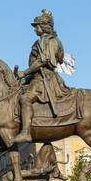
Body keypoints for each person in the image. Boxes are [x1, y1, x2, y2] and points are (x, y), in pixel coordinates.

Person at [14, 10, 69, 143]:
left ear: (43, 27)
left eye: (37, 26)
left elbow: (43, 61)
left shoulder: (48, 41)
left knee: (25, 99)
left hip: (44, 79)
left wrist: (24, 73)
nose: (35, 29)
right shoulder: (46, 41)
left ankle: (26, 132)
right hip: (36, 77)